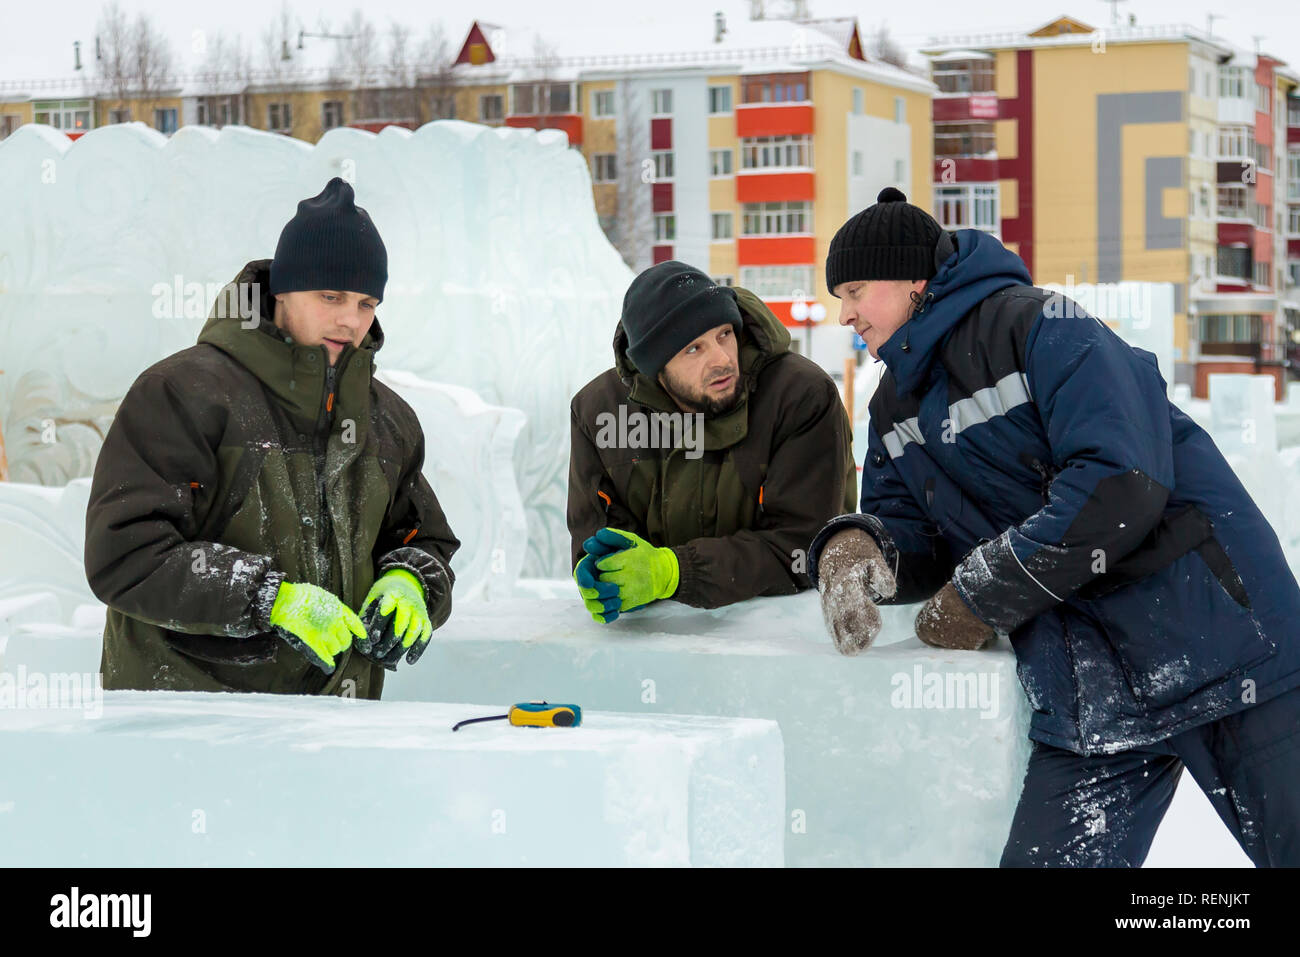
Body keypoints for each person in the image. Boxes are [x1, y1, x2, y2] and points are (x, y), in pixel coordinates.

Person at [808, 186, 1300, 866]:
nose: (846, 313)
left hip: (1225, 647)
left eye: (857, 290)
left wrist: (984, 594)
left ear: (914, 279)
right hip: (1090, 698)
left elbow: (1120, 482)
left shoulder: (1041, 326)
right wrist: (859, 546)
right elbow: (915, 538)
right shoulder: (893, 408)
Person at [85, 177, 459, 699]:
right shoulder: (181, 394)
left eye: (366, 302)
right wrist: (267, 598)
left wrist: (411, 581)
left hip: (338, 728)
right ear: (283, 290)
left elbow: (425, 540)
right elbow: (125, 553)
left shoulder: (389, 419)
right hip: (187, 730)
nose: (350, 321)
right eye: (330, 296)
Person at [568, 261, 855, 620]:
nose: (722, 359)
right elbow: (596, 535)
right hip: (650, 635)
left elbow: (804, 547)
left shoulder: (798, 395)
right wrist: (601, 571)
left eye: (724, 334)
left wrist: (674, 571)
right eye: (693, 349)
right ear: (655, 367)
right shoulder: (598, 412)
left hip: (780, 631)